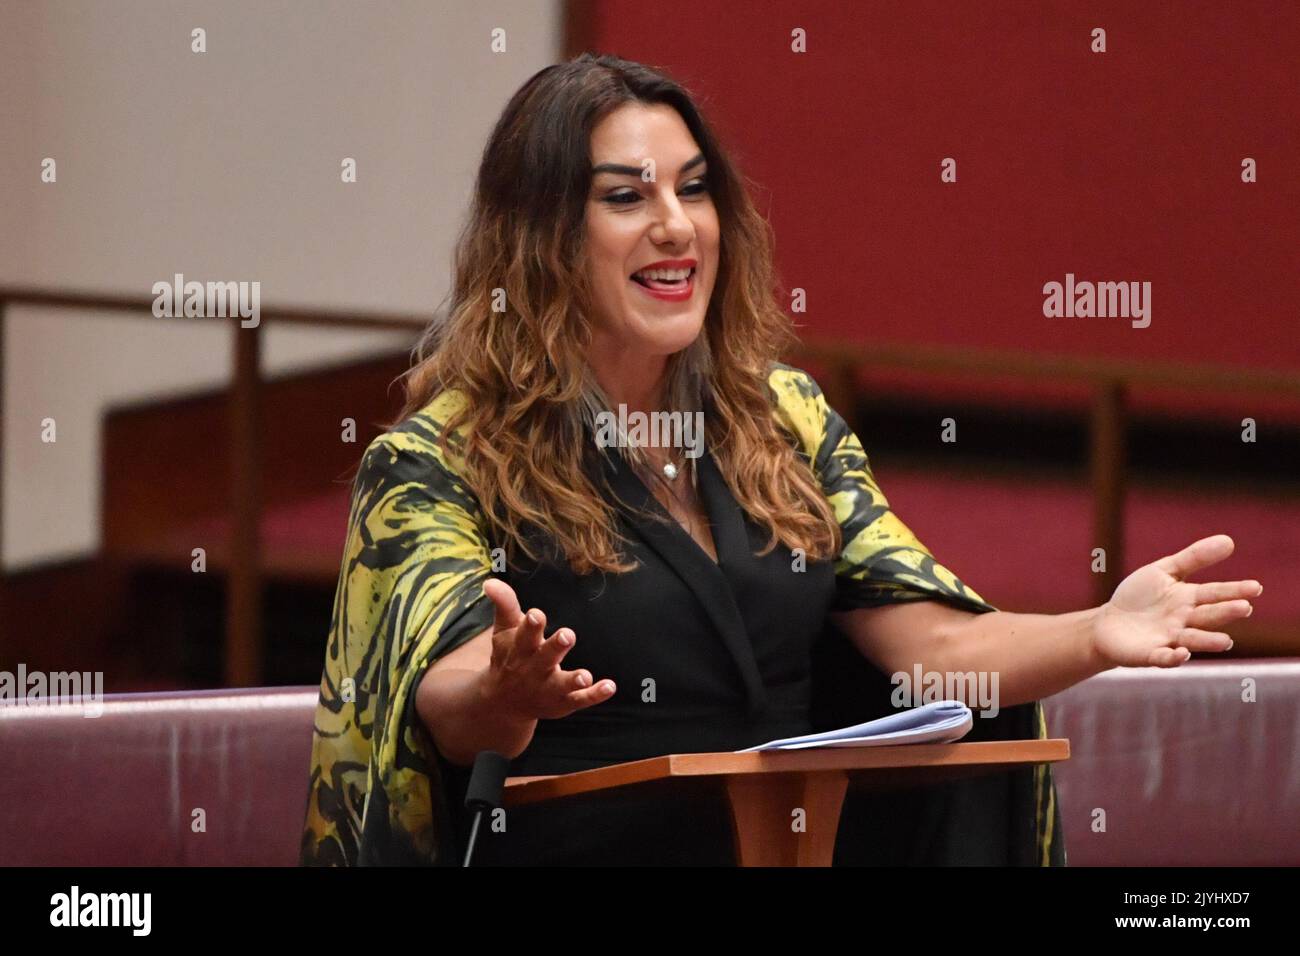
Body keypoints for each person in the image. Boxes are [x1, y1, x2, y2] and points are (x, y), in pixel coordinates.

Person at [299, 53, 1259, 867]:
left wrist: (1095, 632)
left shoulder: (782, 419)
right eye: (626, 196)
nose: (677, 224)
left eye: (695, 187)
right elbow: (441, 702)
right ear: (540, 235)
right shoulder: (441, 458)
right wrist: (504, 694)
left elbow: (934, 652)